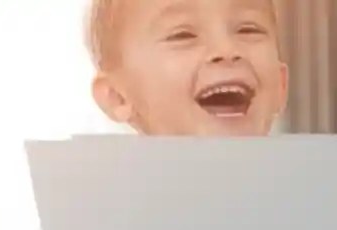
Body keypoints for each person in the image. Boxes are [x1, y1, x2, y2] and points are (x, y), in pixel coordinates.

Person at [86, 0, 290, 136]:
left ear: (281, 86)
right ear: (118, 96)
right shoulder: (115, 199)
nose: (226, 49)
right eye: (183, 35)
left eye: (248, 30)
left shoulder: (310, 193)